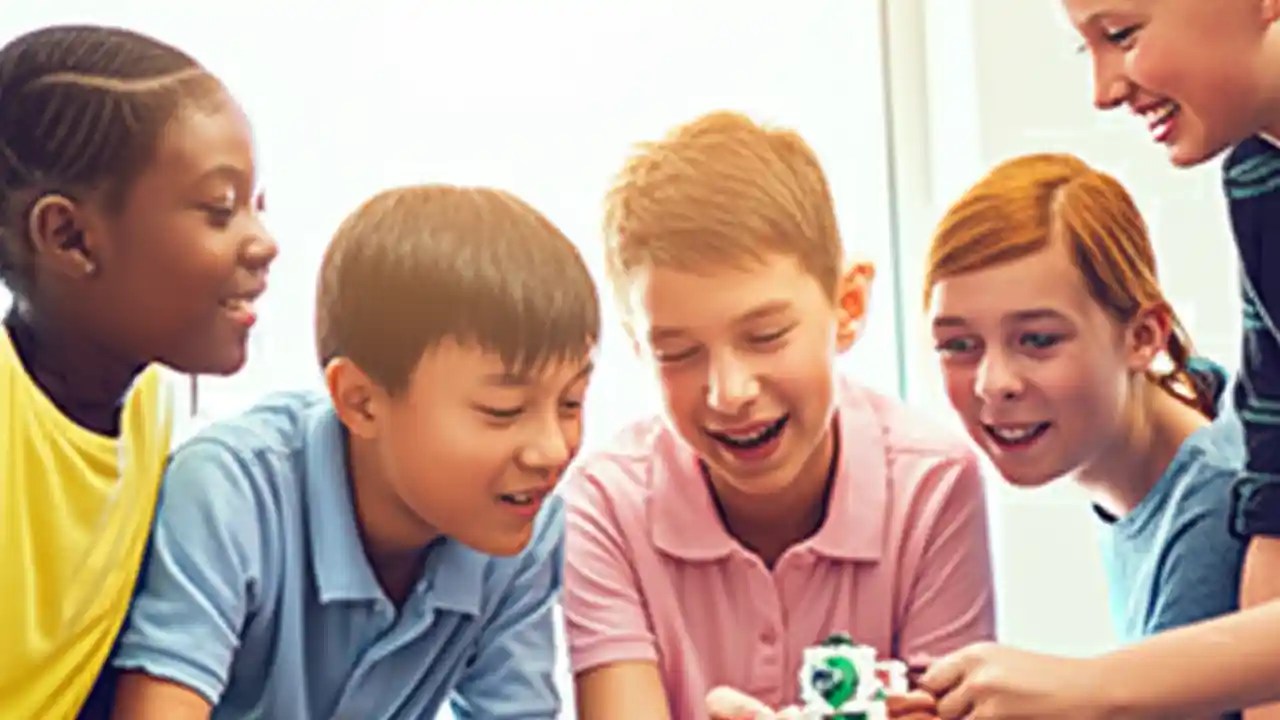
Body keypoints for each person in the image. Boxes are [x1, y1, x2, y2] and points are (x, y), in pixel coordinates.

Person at [560, 110, 996, 720]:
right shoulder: (605, 504)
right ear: (638, 347)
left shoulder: (933, 484)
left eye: (765, 336)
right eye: (678, 353)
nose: (728, 392)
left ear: (848, 306)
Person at [107, 185, 598, 719]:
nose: (553, 450)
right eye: (504, 410)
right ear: (360, 402)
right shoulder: (231, 492)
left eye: (571, 403)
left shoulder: (525, 532)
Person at [920, 2, 1280, 717]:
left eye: (1122, 35)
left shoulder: (1202, 510)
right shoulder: (1257, 177)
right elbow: (1275, 494)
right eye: (958, 344)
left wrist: (1090, 690)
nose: (1103, 91)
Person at [0, 24, 277, 719]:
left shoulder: (151, 399)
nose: (264, 243)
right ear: (69, 237)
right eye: (220, 210)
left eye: (256, 207)